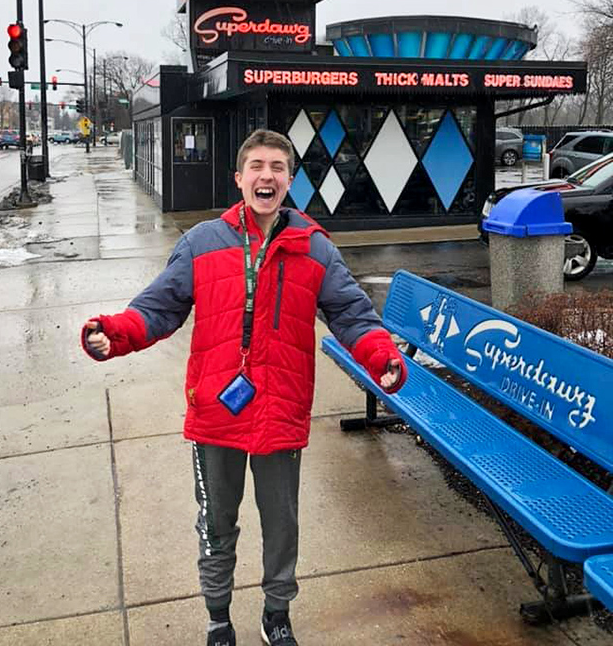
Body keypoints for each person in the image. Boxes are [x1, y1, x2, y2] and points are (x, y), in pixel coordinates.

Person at [81, 129, 407, 646]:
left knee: (282, 526)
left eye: (278, 167)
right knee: (217, 523)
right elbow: (158, 308)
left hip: (282, 413)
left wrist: (380, 356)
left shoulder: (315, 247)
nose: (267, 175)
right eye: (256, 165)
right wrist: (114, 335)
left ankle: (276, 613)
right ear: (239, 178)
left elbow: (352, 314)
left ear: (290, 180)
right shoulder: (202, 242)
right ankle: (217, 616)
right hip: (215, 412)